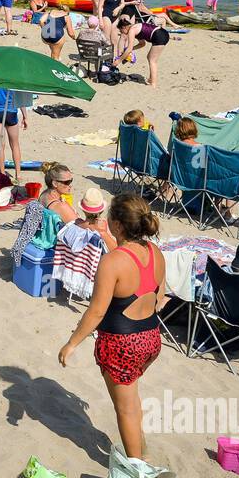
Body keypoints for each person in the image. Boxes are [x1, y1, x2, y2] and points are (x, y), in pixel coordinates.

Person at [57, 194, 165, 460]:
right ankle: (141, 449)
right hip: (151, 339)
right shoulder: (156, 253)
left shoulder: (113, 261)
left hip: (122, 343)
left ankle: (137, 468)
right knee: (131, 397)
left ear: (116, 225)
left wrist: (71, 344)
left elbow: (96, 311)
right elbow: (159, 299)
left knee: (125, 408)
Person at [0, 87, 29, 185]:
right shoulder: (13, 79)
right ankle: (18, 174)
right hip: (11, 112)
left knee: (0, 146)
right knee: (15, 145)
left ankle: (2, 173)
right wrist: (25, 117)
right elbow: (21, 100)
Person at [111, 14, 171, 88]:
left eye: (121, 31)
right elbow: (142, 44)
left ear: (124, 27)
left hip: (159, 35)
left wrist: (118, 60)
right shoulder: (134, 28)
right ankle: (151, 79)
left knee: (152, 60)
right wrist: (132, 48)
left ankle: (153, 84)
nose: (122, 33)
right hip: (162, 34)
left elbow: (129, 49)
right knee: (149, 57)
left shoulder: (132, 30)